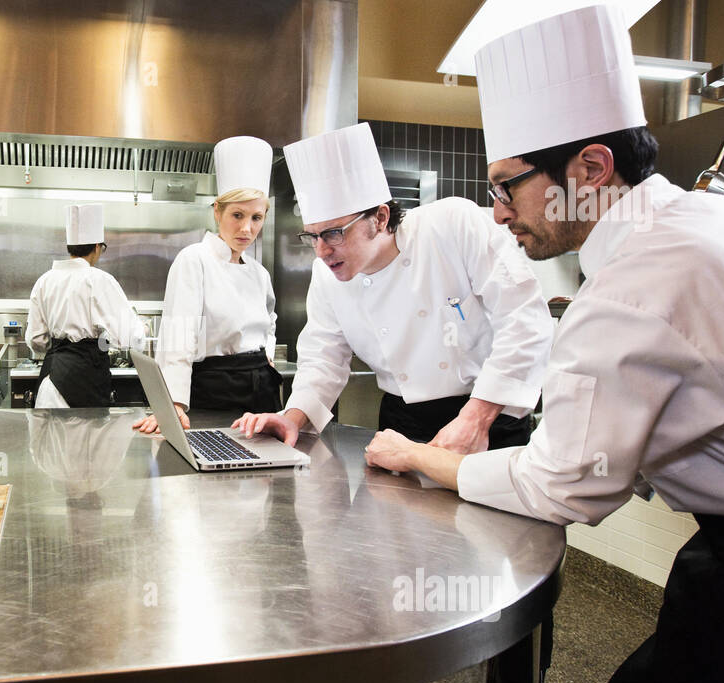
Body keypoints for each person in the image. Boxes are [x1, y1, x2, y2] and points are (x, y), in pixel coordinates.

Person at [364, 4, 724, 683]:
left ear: (591, 170)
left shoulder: (637, 280)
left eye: (509, 189)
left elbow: (563, 484)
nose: (499, 216)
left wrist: (420, 457)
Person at [234, 122, 554, 456]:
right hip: (401, 423)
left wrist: (476, 420)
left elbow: (524, 320)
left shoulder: (454, 225)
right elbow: (324, 356)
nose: (321, 250)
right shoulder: (326, 274)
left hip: (487, 417)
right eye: (312, 236)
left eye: (333, 233)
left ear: (381, 217)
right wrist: (293, 418)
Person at [134, 136, 281, 434]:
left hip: (262, 393)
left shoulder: (259, 273)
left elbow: (270, 325)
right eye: (237, 215)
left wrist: (266, 358)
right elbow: (179, 332)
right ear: (217, 211)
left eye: (256, 217)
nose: (246, 228)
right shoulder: (194, 260)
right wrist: (172, 405)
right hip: (215, 391)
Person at [26, 204, 144, 408]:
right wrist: (143, 330)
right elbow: (130, 337)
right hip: (84, 383)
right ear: (97, 247)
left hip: (49, 383)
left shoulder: (44, 281)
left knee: (47, 440)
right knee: (87, 440)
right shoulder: (99, 280)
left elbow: (36, 340)